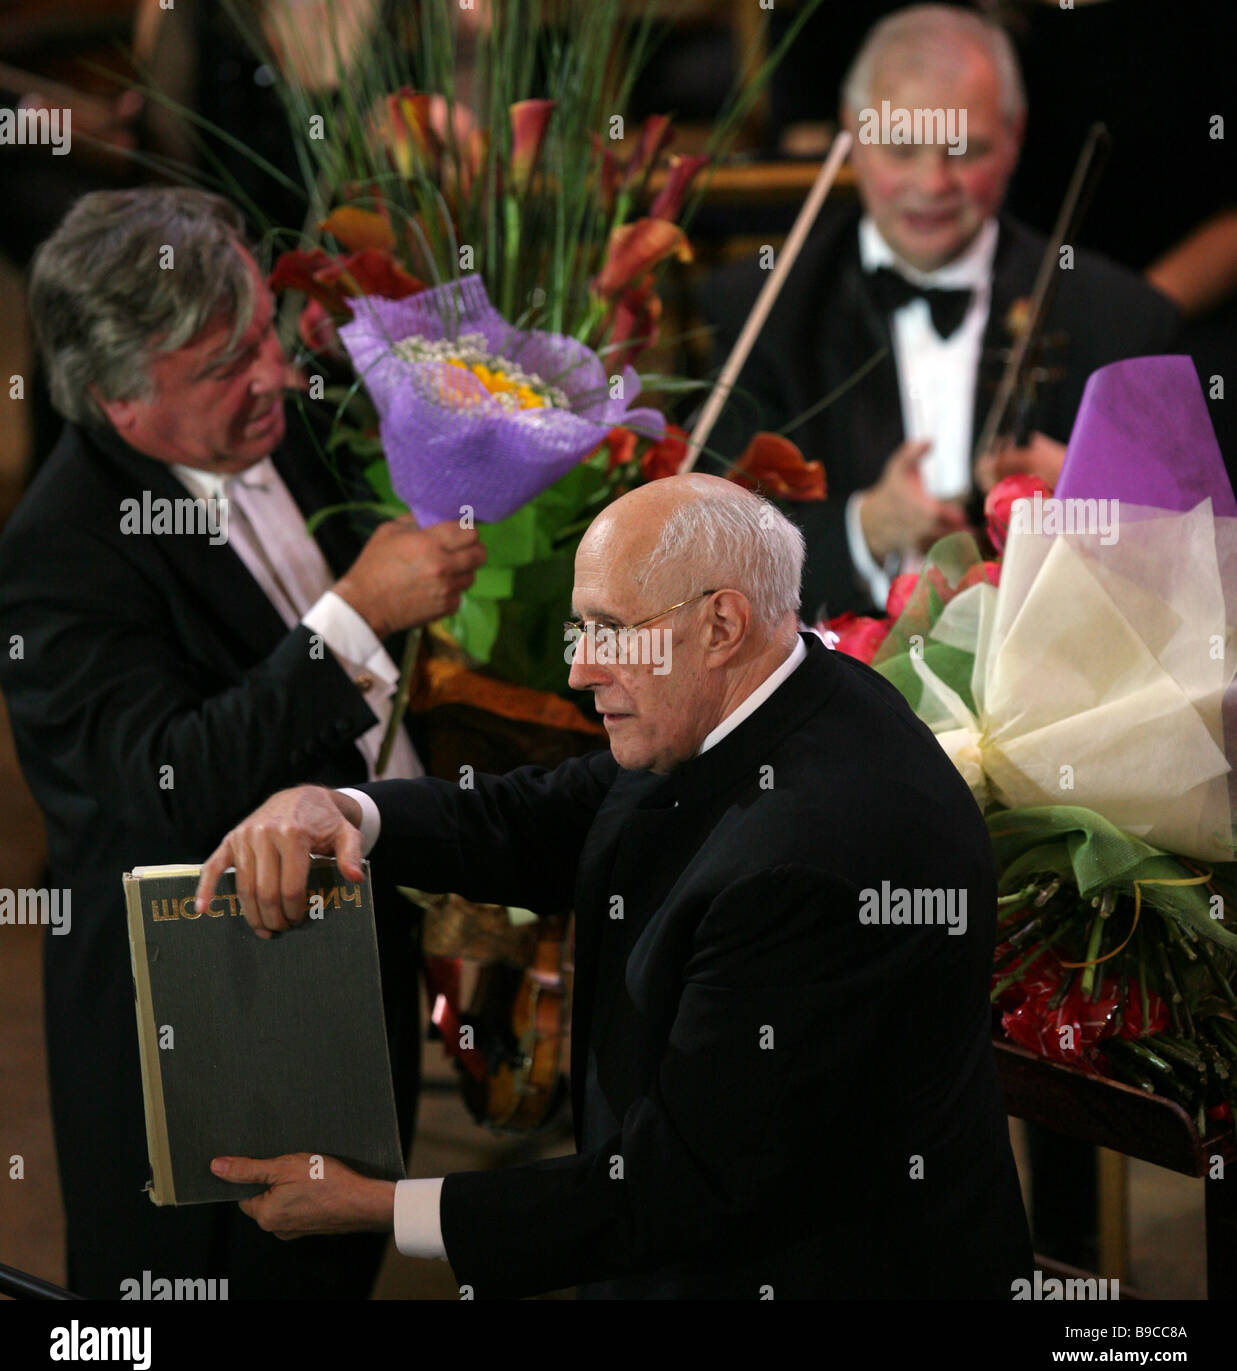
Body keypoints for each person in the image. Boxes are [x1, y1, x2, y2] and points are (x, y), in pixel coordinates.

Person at [196, 473, 1033, 1299]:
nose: (579, 671)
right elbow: (556, 814)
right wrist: (343, 810)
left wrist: (379, 1208)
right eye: (578, 630)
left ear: (720, 624)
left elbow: (675, 1191)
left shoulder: (808, 863)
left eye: (608, 631)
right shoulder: (767, 694)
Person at [0, 186, 485, 1298]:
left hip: (349, 967)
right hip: (207, 1030)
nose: (274, 373)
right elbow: (160, 788)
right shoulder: (57, 558)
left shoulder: (288, 417)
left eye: (266, 331)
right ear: (120, 400)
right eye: (226, 364)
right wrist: (357, 615)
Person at [697, 3, 1180, 623]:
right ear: (853, 132)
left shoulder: (1122, 317)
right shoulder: (760, 311)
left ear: (1016, 136)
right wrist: (863, 528)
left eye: (966, 150)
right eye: (901, 149)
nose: (932, 183)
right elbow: (712, 544)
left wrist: (1094, 490)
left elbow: (1192, 565)